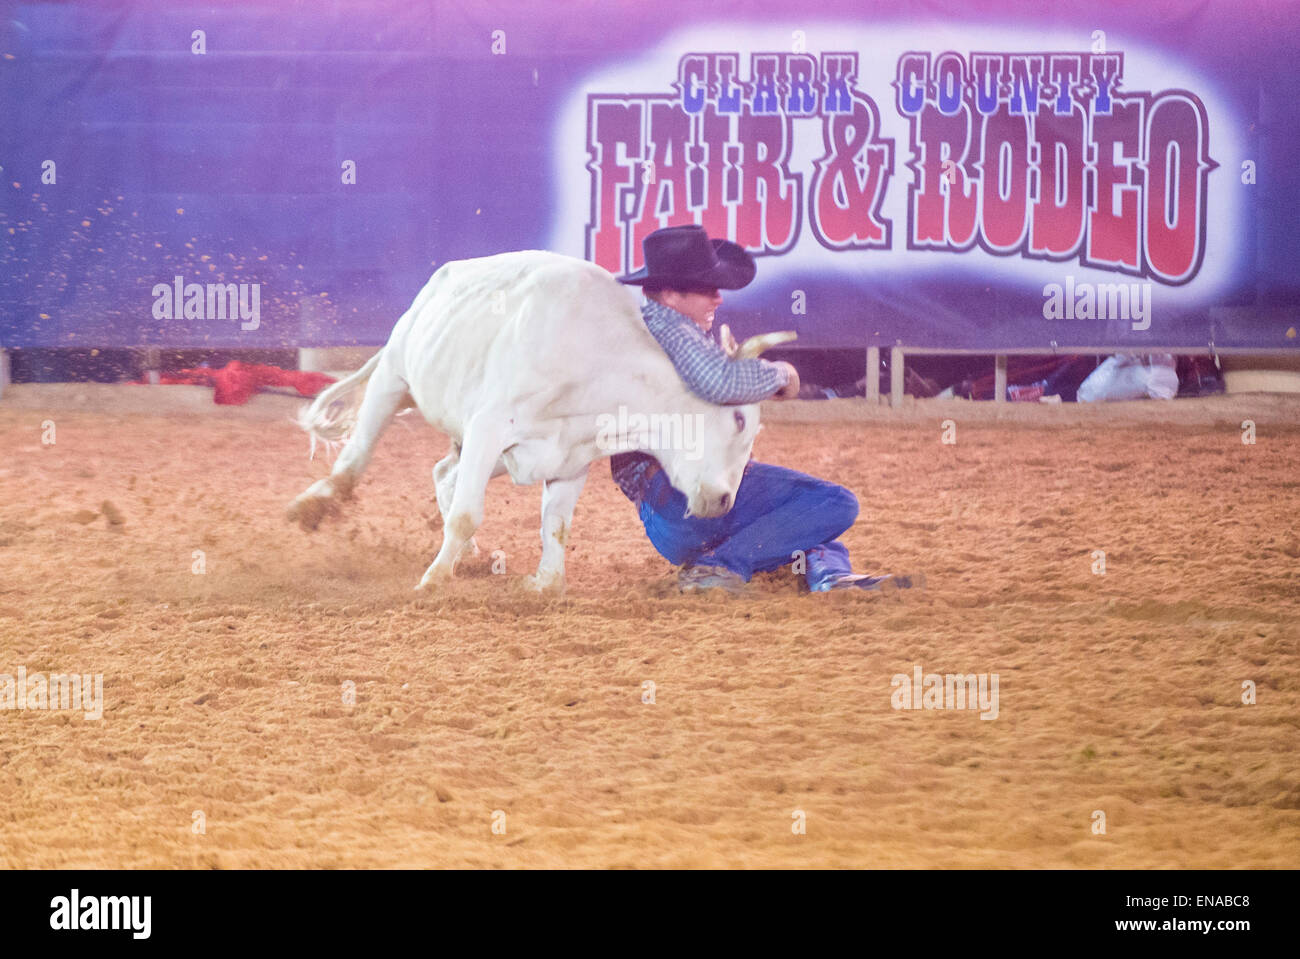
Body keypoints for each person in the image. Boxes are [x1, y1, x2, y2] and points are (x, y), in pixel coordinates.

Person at [610, 224, 910, 594]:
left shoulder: (639, 336)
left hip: (667, 517)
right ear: (670, 294)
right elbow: (719, 382)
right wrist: (781, 374)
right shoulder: (671, 330)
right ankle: (719, 566)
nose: (718, 299)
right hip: (686, 500)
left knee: (798, 514)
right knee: (835, 504)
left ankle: (827, 573)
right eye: (707, 289)